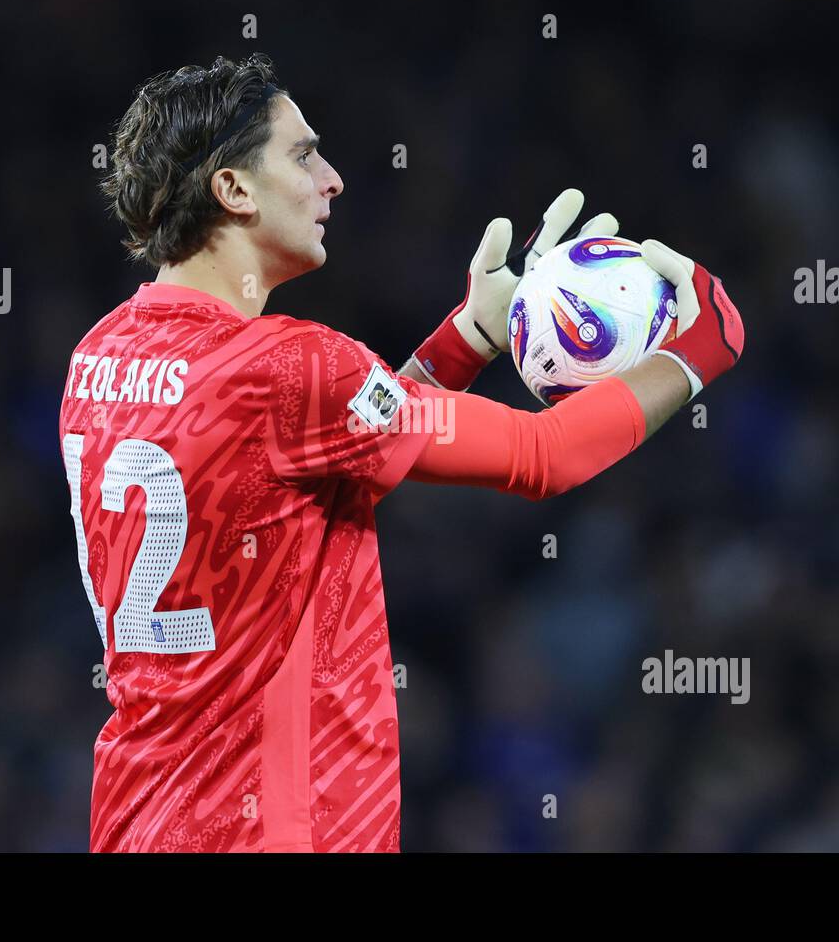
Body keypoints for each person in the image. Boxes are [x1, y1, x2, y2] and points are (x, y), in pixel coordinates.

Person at [59, 53, 743, 852]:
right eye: (304, 154)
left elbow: (297, 492)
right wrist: (698, 351)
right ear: (233, 190)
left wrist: (469, 338)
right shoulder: (287, 366)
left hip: (140, 818)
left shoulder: (100, 357)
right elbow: (542, 453)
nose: (334, 179)